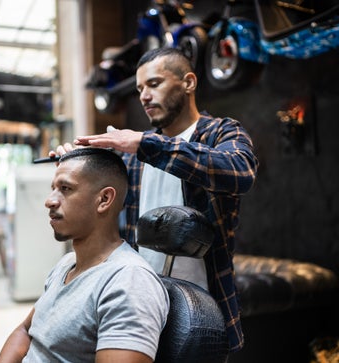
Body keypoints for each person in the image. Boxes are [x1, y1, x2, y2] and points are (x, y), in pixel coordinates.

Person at [54, 47, 258, 353]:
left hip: (203, 307)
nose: (144, 96)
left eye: (154, 84)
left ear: (188, 82)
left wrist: (145, 143)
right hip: (142, 300)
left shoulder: (219, 132)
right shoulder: (137, 155)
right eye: (139, 89)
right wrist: (76, 162)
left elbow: (240, 172)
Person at [0, 148, 169, 363]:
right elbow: (25, 331)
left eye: (65, 188)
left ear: (104, 199)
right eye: (53, 189)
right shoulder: (67, 264)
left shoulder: (128, 282)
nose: (50, 201)